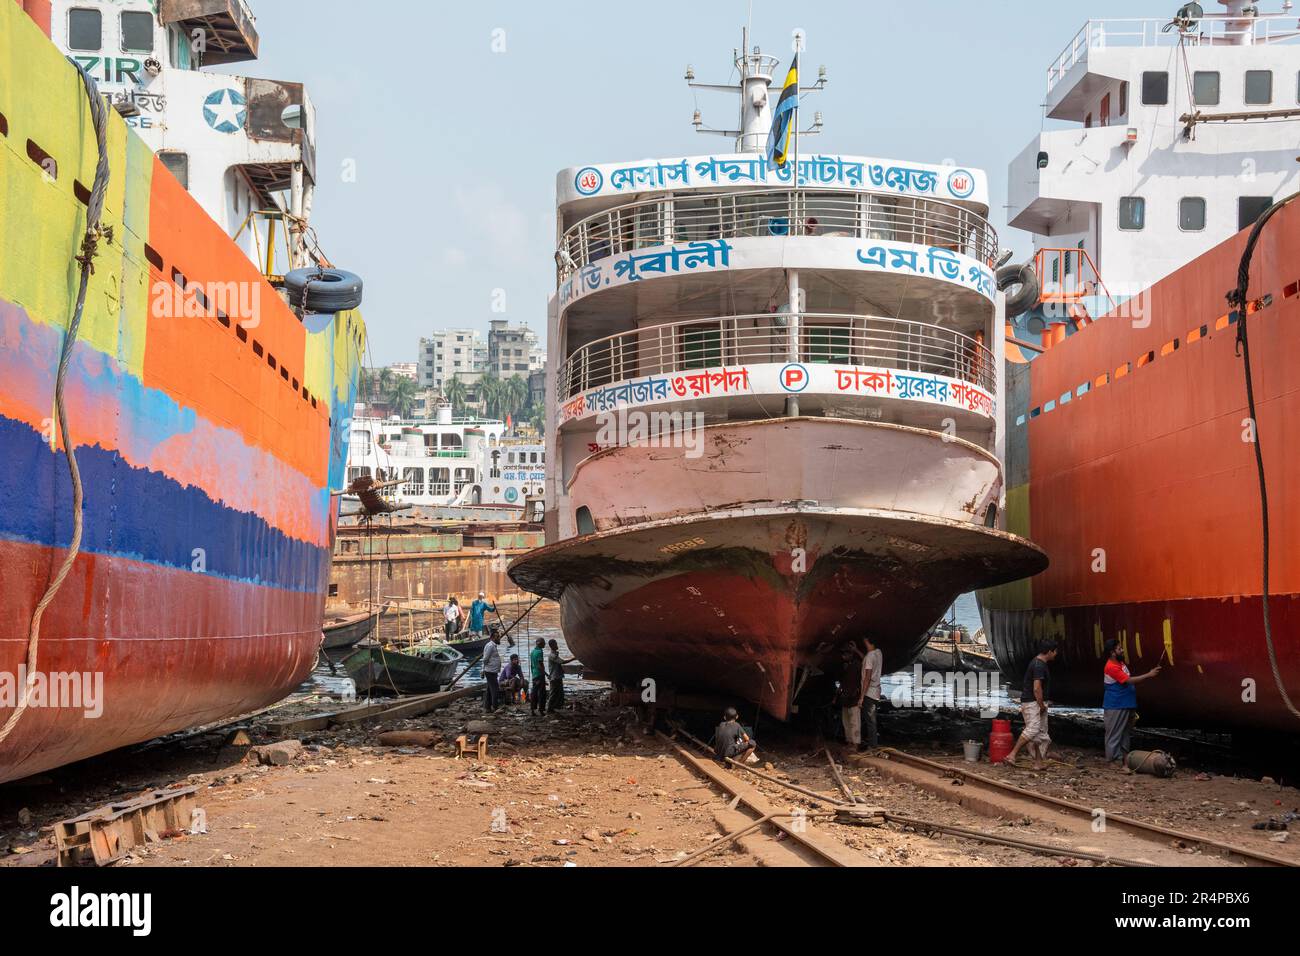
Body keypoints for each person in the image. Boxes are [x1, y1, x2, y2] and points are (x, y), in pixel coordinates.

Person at [1102, 638, 1160, 766]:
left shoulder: (1120, 663)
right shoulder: (1112, 667)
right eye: (1119, 648)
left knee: (1124, 733)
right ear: (1112, 652)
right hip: (1116, 705)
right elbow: (1129, 680)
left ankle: (1124, 759)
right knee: (1114, 734)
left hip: (1125, 703)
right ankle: (1113, 761)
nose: (1122, 650)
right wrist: (1148, 675)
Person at [1005, 639, 1058, 769]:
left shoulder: (1038, 663)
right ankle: (1012, 754)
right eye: (1055, 651)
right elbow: (1036, 688)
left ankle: (1038, 762)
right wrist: (1041, 706)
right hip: (1032, 702)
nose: (1056, 654)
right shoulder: (1039, 665)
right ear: (1050, 651)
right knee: (1033, 729)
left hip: (1035, 702)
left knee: (1040, 733)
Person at [837, 644, 864, 749]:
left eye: (846, 653)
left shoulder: (857, 664)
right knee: (846, 722)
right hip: (845, 697)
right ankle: (849, 741)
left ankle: (855, 744)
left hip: (854, 697)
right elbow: (842, 681)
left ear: (851, 654)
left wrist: (861, 696)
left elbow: (866, 666)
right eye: (843, 653)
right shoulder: (844, 666)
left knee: (854, 722)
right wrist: (838, 693)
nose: (843, 656)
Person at [861, 635, 883, 750]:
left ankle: (872, 745)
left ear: (868, 642)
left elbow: (867, 677)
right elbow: (868, 663)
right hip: (876, 691)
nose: (864, 644)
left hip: (869, 692)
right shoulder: (878, 653)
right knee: (872, 719)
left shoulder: (869, 656)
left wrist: (861, 696)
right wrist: (856, 651)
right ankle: (871, 742)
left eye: (865, 642)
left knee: (870, 720)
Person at [481, 629, 502, 712]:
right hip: (490, 671)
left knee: (490, 689)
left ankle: (487, 707)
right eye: (498, 637)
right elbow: (485, 659)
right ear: (493, 637)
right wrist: (483, 670)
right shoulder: (490, 646)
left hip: (492, 671)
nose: (499, 638)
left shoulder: (492, 646)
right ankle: (495, 707)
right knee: (495, 689)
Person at [529, 637, 548, 716]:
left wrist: (533, 674)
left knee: (534, 692)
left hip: (534, 675)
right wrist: (546, 674)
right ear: (540, 643)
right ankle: (541, 710)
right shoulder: (540, 652)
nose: (545, 644)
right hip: (540, 674)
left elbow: (532, 665)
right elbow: (540, 665)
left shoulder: (533, 652)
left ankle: (532, 710)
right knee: (542, 693)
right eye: (544, 642)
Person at [546, 638, 565, 712]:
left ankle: (555, 707)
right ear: (552, 645)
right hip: (554, 677)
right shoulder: (552, 655)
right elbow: (562, 662)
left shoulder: (554, 654)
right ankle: (549, 708)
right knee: (553, 693)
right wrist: (574, 659)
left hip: (558, 676)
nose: (557, 645)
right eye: (556, 644)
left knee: (559, 692)